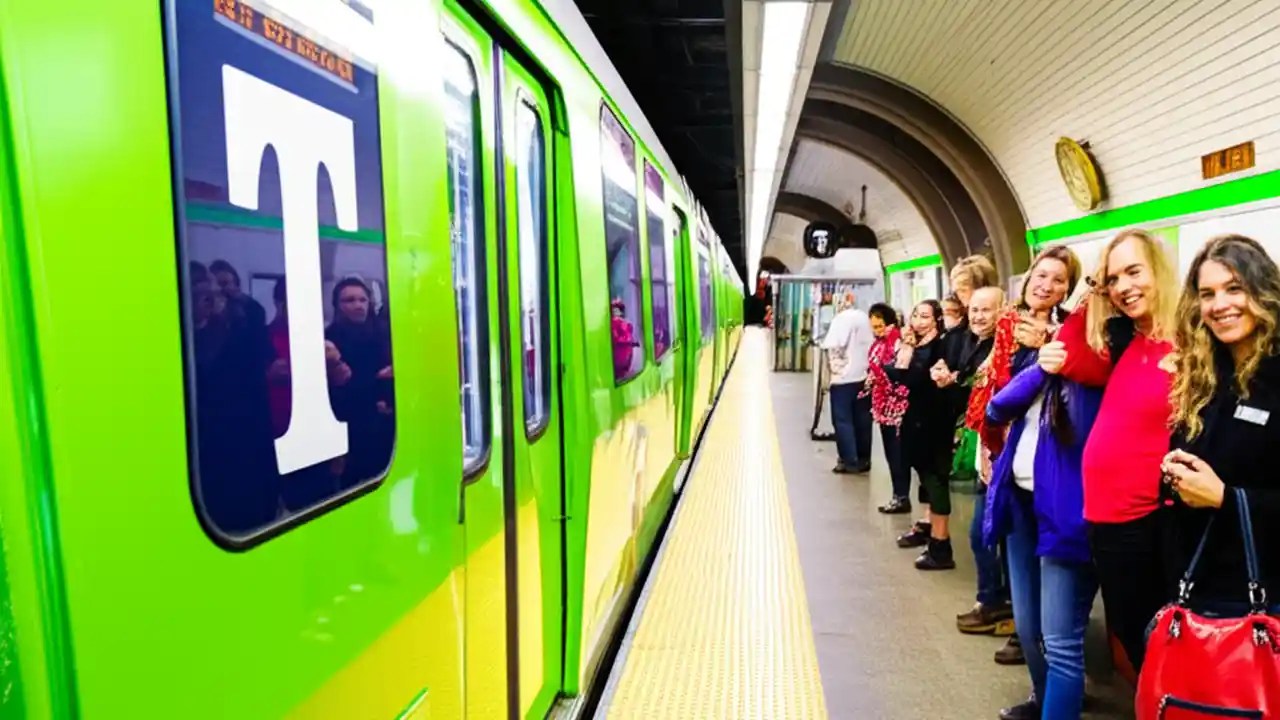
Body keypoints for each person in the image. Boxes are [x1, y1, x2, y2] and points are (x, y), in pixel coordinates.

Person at [1038, 228, 1179, 675]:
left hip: (1150, 524)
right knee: (1137, 646)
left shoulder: (1189, 344)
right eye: (1113, 280)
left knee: (1160, 652)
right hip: (1107, 523)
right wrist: (1091, 292)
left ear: (1159, 268)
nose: (1123, 287)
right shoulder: (1129, 341)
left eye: (1133, 272)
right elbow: (1072, 351)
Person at [984, 246, 1094, 720]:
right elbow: (994, 401)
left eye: (1058, 279)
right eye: (1040, 275)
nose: (1045, 285)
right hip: (1017, 483)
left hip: (1060, 493)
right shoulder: (1011, 332)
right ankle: (1043, 693)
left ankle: (1057, 699)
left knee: (1057, 630)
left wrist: (1054, 345)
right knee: (1027, 623)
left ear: (1070, 289)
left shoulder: (1077, 340)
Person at [1160, 234, 1280, 621]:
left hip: (1263, 598)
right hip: (1198, 585)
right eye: (1207, 293)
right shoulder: (1205, 377)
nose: (1220, 305)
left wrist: (1227, 499)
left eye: (1234, 288)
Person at [883, 300, 954, 569]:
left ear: (937, 319)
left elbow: (908, 377)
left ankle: (941, 544)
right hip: (917, 419)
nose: (919, 320)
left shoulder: (940, 347)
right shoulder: (917, 343)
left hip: (935, 421)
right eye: (915, 314)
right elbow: (898, 371)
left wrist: (905, 358)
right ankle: (927, 525)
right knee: (923, 475)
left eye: (925, 316)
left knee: (935, 478)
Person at [864, 303, 911, 512]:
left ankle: (902, 496)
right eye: (873, 327)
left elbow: (900, 372)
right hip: (882, 406)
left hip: (897, 408)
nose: (877, 331)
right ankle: (897, 494)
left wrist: (881, 376)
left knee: (898, 453)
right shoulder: (879, 343)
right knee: (891, 452)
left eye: (880, 326)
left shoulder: (898, 343)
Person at [822, 293, 875, 474]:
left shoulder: (841, 319)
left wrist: (837, 370)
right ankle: (863, 459)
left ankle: (848, 460)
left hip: (844, 380)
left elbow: (835, 346)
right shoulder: (863, 318)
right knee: (863, 420)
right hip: (864, 376)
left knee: (843, 421)